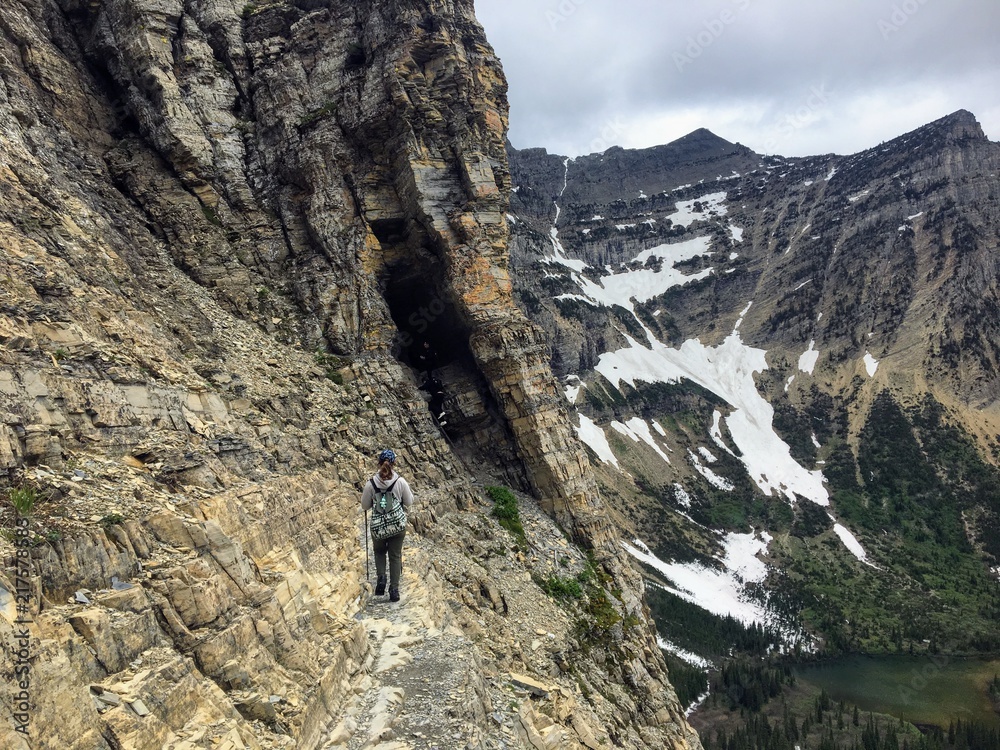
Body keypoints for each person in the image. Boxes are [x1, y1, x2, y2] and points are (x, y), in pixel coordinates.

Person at [360, 449, 413, 602]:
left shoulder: (370, 484)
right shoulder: (400, 482)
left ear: (379, 463)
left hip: (378, 527)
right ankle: (394, 590)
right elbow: (409, 502)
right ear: (394, 464)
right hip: (397, 525)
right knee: (395, 556)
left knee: (379, 552)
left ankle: (381, 577)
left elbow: (364, 506)